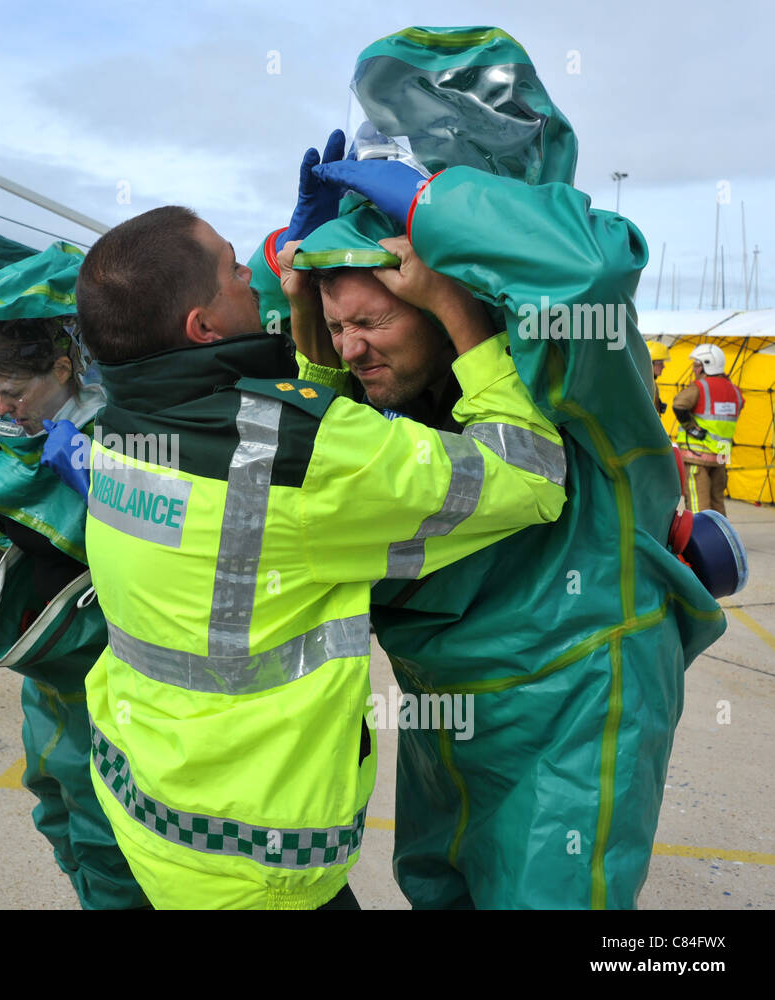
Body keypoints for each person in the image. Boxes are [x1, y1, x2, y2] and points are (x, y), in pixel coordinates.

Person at [282, 25, 729, 908]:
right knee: (439, 890)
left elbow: (591, 267)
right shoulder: (410, 371)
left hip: (568, 697)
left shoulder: (566, 343)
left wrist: (432, 208)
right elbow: (325, 431)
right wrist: (305, 290)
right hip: (445, 700)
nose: (354, 347)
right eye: (340, 326)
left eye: (373, 321)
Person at [73, 203, 568, 910]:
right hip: (256, 861)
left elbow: (293, 445)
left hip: (151, 811)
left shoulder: (121, 425)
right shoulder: (300, 454)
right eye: (232, 267)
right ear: (202, 327)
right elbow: (532, 474)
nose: (255, 274)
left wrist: (308, 325)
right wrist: (461, 315)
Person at [0, 243, 146, 909]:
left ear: (66, 368)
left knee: (109, 839)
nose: (1, 408)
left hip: (108, 682)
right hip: (50, 680)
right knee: (55, 813)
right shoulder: (25, 437)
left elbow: (162, 540)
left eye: (14, 393)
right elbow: (5, 527)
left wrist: (104, 483)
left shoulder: (129, 436)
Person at [673, 343, 744, 515]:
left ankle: (704, 541)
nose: (694, 370)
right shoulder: (735, 391)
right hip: (721, 455)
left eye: (696, 365)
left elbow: (679, 404)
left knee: (699, 506)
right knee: (718, 503)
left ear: (707, 365)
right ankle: (723, 539)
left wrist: (691, 428)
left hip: (698, 456)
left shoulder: (700, 386)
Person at [647, 340, 670, 415]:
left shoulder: (650, 382)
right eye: (660, 362)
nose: (663, 366)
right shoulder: (646, 385)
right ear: (649, 363)